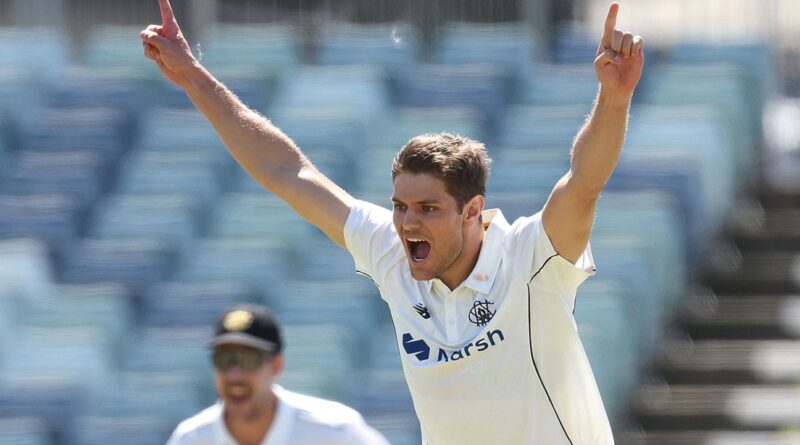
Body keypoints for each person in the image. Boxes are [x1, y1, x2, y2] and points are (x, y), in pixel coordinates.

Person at [142, 0, 643, 443]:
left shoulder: (531, 257)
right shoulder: (391, 252)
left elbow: (583, 182)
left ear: (473, 211)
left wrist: (614, 98)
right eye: (400, 206)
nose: (407, 224)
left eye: (428, 209)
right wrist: (193, 77)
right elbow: (287, 172)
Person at [166, 303, 391, 445]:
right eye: (224, 359)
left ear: (276, 366)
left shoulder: (335, 432)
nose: (234, 375)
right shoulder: (190, 439)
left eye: (248, 359)